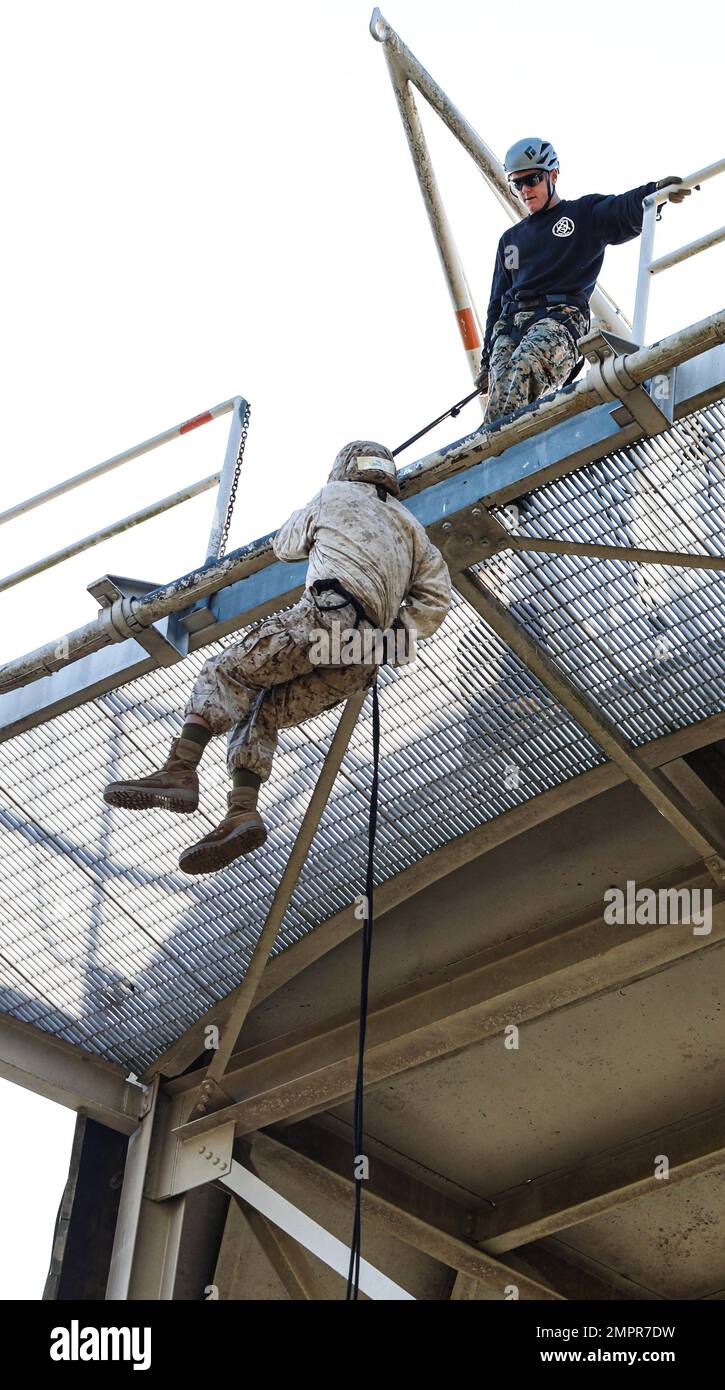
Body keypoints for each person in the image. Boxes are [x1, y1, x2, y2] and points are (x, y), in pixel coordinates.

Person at [103, 440, 451, 875]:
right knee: (261, 707)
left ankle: (180, 769)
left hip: (323, 619)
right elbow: (435, 601)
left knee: (226, 674)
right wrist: (385, 642)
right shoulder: (415, 531)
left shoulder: (334, 495)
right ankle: (242, 811)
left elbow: (286, 545)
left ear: (345, 468)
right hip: (362, 659)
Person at [477, 137, 691, 423]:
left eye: (532, 179)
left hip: (558, 319)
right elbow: (497, 301)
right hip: (511, 327)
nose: (525, 190)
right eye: (517, 184)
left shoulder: (581, 216)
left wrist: (654, 194)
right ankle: (494, 452)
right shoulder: (511, 242)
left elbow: (620, 209)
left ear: (553, 175)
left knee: (522, 373)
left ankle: (492, 454)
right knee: (501, 398)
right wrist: (485, 361)